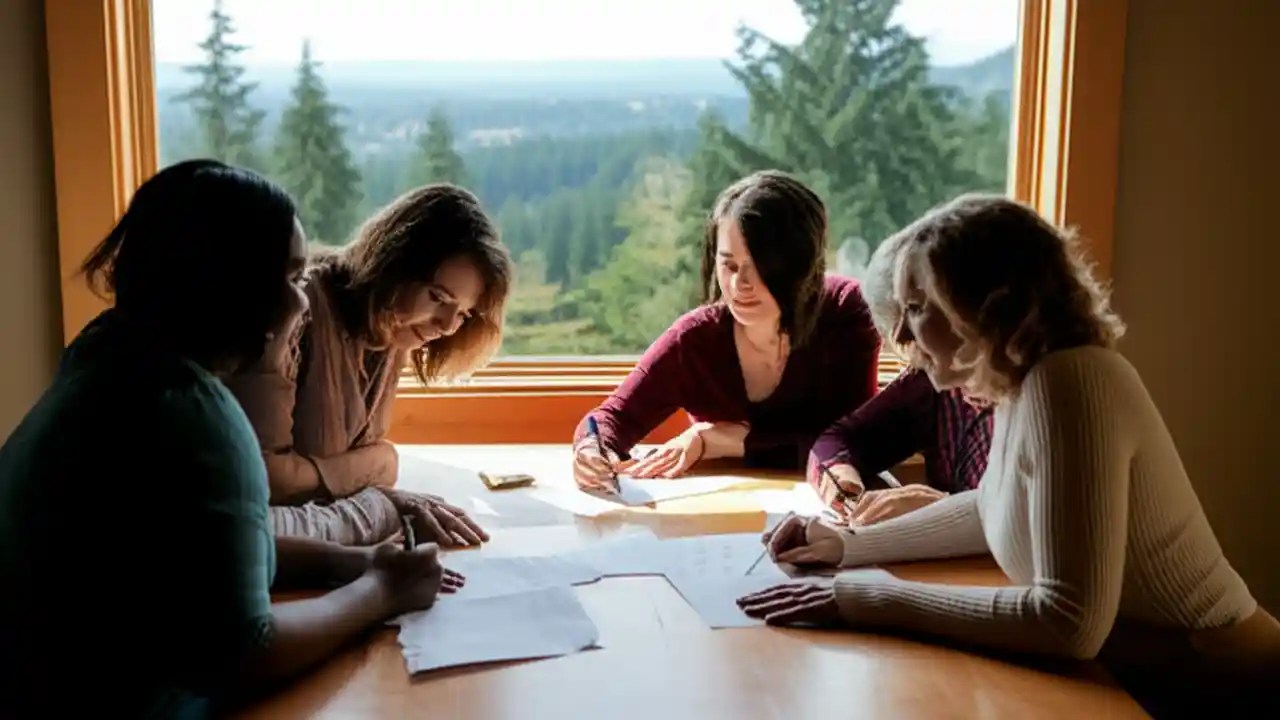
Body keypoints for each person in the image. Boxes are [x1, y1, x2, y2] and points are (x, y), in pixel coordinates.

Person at [740, 194, 1279, 716]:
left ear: (984, 305)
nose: (902, 332)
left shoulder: (1070, 382)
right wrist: (847, 546)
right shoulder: (1028, 383)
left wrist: (874, 600)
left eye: (917, 308)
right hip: (1146, 677)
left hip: (1220, 685)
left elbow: (1067, 623)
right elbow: (990, 505)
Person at [0, 160, 461, 718]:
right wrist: (379, 593)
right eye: (291, 279)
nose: (302, 301)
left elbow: (202, 546)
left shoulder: (109, 357)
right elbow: (242, 652)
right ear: (232, 288)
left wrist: (351, 561)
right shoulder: (197, 418)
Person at [226, 184, 512, 547]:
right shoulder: (293, 314)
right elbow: (266, 480)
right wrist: (379, 465)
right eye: (438, 298)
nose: (446, 326)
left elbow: (344, 477)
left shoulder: (395, 331)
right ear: (392, 265)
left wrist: (369, 474)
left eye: (463, 314)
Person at [572, 170, 881, 489]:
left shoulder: (846, 311)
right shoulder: (695, 341)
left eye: (758, 267)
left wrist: (718, 440)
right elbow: (610, 419)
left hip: (831, 513)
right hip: (725, 507)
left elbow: (858, 443)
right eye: (729, 265)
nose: (739, 285)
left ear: (800, 263)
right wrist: (592, 450)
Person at [805, 230, 994, 527]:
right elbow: (839, 439)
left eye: (916, 314)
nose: (904, 338)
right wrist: (843, 482)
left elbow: (1034, 524)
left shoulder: (1041, 392)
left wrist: (940, 509)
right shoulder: (931, 382)